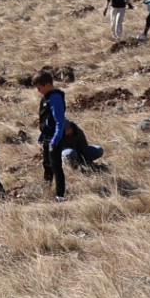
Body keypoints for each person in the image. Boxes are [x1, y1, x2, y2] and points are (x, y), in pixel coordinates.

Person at [34, 69, 103, 200]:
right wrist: (43, 134)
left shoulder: (55, 98)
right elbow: (46, 119)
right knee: (47, 164)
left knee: (56, 166)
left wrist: (56, 138)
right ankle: (46, 187)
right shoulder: (45, 98)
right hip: (47, 137)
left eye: (39, 88)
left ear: (47, 85)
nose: (38, 91)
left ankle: (60, 195)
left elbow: (59, 121)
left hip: (54, 139)